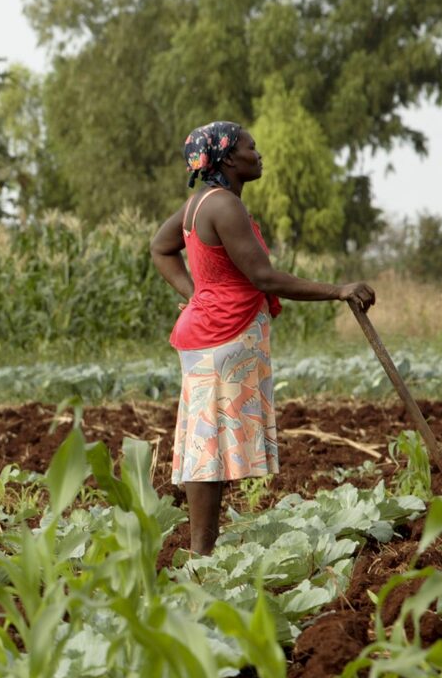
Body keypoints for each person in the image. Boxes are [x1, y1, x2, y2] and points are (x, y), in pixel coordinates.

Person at [149, 120, 375, 555]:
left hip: (212, 330)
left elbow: (160, 247)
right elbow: (263, 276)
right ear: (229, 157)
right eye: (251, 147)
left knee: (206, 440)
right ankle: (201, 552)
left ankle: (204, 550)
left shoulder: (200, 203)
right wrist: (338, 290)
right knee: (207, 445)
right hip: (223, 334)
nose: (259, 154)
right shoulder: (224, 207)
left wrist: (200, 295)